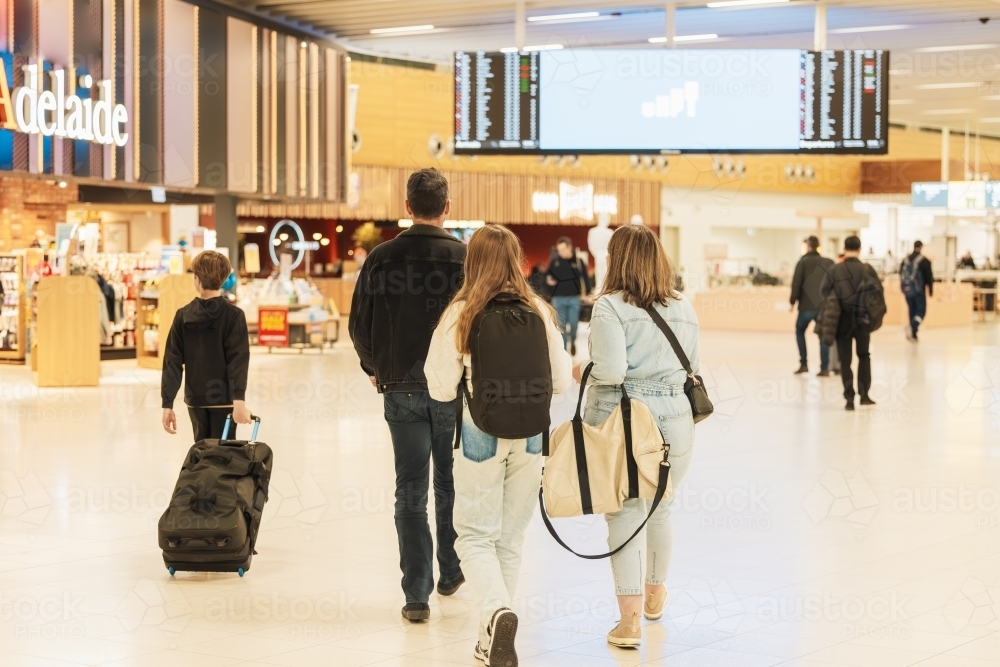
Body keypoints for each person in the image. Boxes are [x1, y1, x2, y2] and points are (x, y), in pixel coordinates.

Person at [425, 225, 572, 667]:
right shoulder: (539, 311)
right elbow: (562, 381)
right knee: (508, 538)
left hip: (479, 432)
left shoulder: (462, 312)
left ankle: (496, 612)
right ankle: (491, 640)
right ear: (516, 260)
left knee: (472, 535)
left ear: (474, 263)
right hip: (530, 435)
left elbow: (439, 385)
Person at [348, 168, 467, 622]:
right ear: (447, 208)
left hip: (399, 388)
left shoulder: (381, 258)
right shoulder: (464, 258)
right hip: (450, 388)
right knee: (449, 481)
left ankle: (416, 594)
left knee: (410, 488)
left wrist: (375, 368)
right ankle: (451, 570)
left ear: (407, 207)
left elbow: (359, 325)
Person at [578, 224, 700, 648]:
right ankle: (655, 594)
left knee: (625, 514)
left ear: (616, 259)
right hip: (678, 419)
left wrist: (583, 369)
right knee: (661, 508)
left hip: (629, 420)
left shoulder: (609, 306)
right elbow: (693, 367)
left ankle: (628, 623)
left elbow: (610, 372)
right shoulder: (685, 306)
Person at [161, 250, 252, 440]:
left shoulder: (183, 315)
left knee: (202, 452)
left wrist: (167, 403)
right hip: (225, 400)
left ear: (197, 279)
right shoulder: (234, 316)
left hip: (195, 399)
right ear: (224, 279)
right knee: (224, 456)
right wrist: (239, 400)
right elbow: (238, 360)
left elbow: (172, 361)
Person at [821, 236, 884, 411]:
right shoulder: (866, 269)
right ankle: (864, 396)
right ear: (860, 248)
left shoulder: (835, 270)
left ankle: (849, 399)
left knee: (845, 361)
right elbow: (878, 292)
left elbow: (824, 290)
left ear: (844, 247)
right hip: (862, 319)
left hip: (842, 320)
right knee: (864, 356)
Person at [789, 236, 834, 376]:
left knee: (799, 331)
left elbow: (796, 283)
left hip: (806, 306)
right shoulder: (828, 262)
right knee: (822, 335)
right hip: (824, 306)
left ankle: (803, 364)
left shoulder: (802, 262)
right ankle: (825, 368)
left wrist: (792, 302)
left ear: (808, 246)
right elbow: (835, 283)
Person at [546, 236, 592, 355]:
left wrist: (588, 293)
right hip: (558, 298)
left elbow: (585, 278)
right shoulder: (555, 261)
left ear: (569, 247)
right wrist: (549, 281)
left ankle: (573, 341)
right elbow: (547, 276)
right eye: (559, 250)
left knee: (574, 324)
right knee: (561, 327)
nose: (560, 252)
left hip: (574, 298)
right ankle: (564, 351)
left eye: (563, 250)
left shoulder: (578, 261)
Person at [900, 240, 934, 342]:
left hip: (907, 290)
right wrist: (931, 289)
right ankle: (913, 326)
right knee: (921, 312)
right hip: (919, 291)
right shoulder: (924, 261)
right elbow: (929, 277)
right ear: (921, 247)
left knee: (911, 311)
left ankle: (913, 335)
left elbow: (900, 273)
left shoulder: (905, 260)